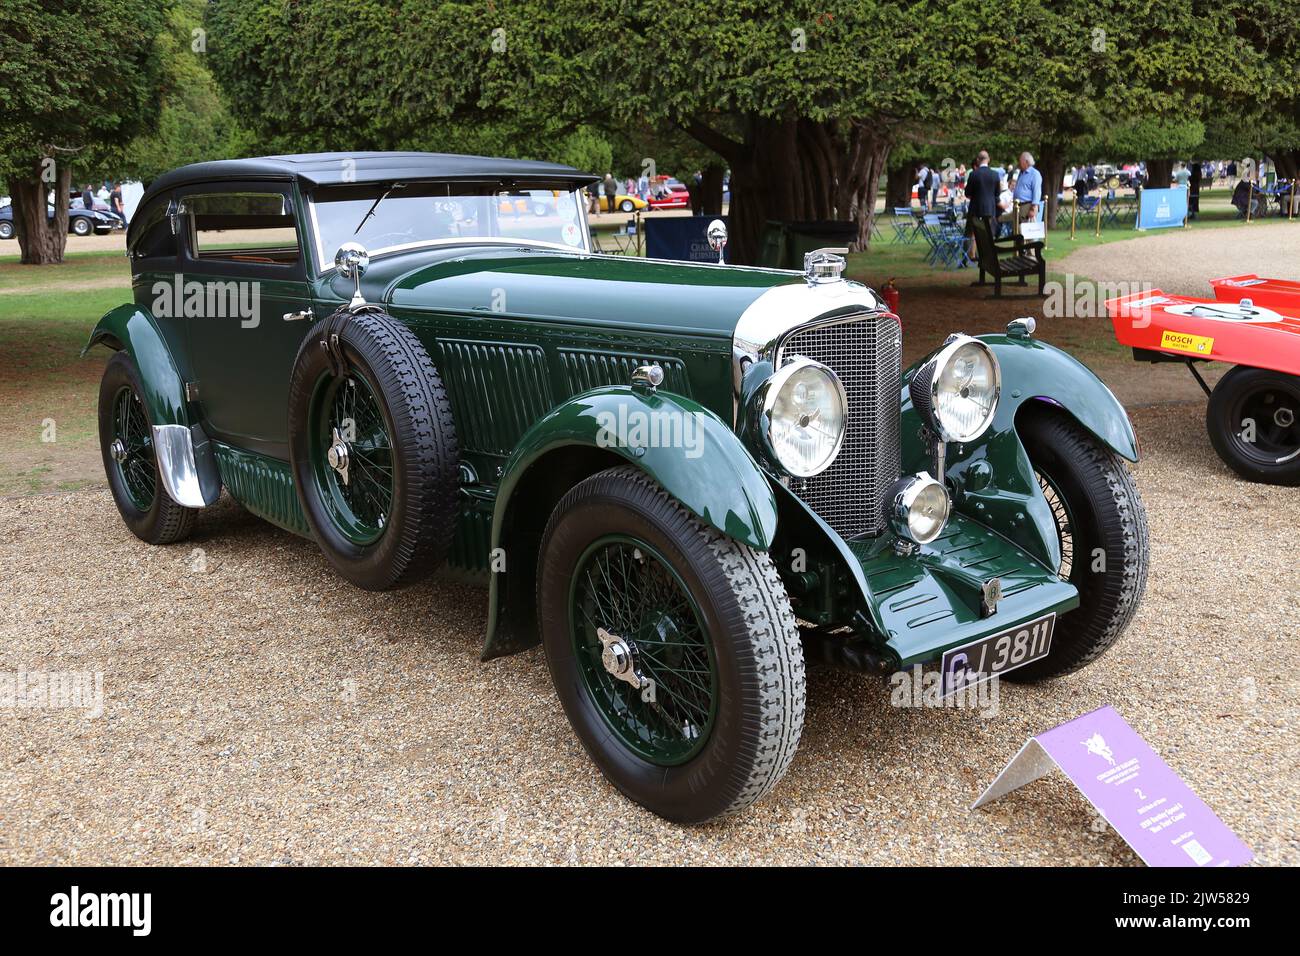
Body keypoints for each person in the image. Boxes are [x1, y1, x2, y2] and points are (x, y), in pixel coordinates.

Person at [964, 151, 1001, 256]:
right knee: (988, 233)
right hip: (990, 208)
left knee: (972, 233)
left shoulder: (973, 174)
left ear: (977, 160)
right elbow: (997, 193)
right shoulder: (995, 174)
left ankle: (972, 255)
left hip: (975, 208)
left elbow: (967, 193)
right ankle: (987, 254)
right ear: (988, 159)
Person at [1013, 151, 1042, 222]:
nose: (1019, 163)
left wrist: (1033, 208)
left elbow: (1037, 192)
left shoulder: (1035, 174)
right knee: (1017, 227)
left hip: (1027, 206)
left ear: (1026, 162)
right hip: (1018, 206)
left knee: (1025, 227)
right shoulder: (1021, 173)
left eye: (1020, 161)